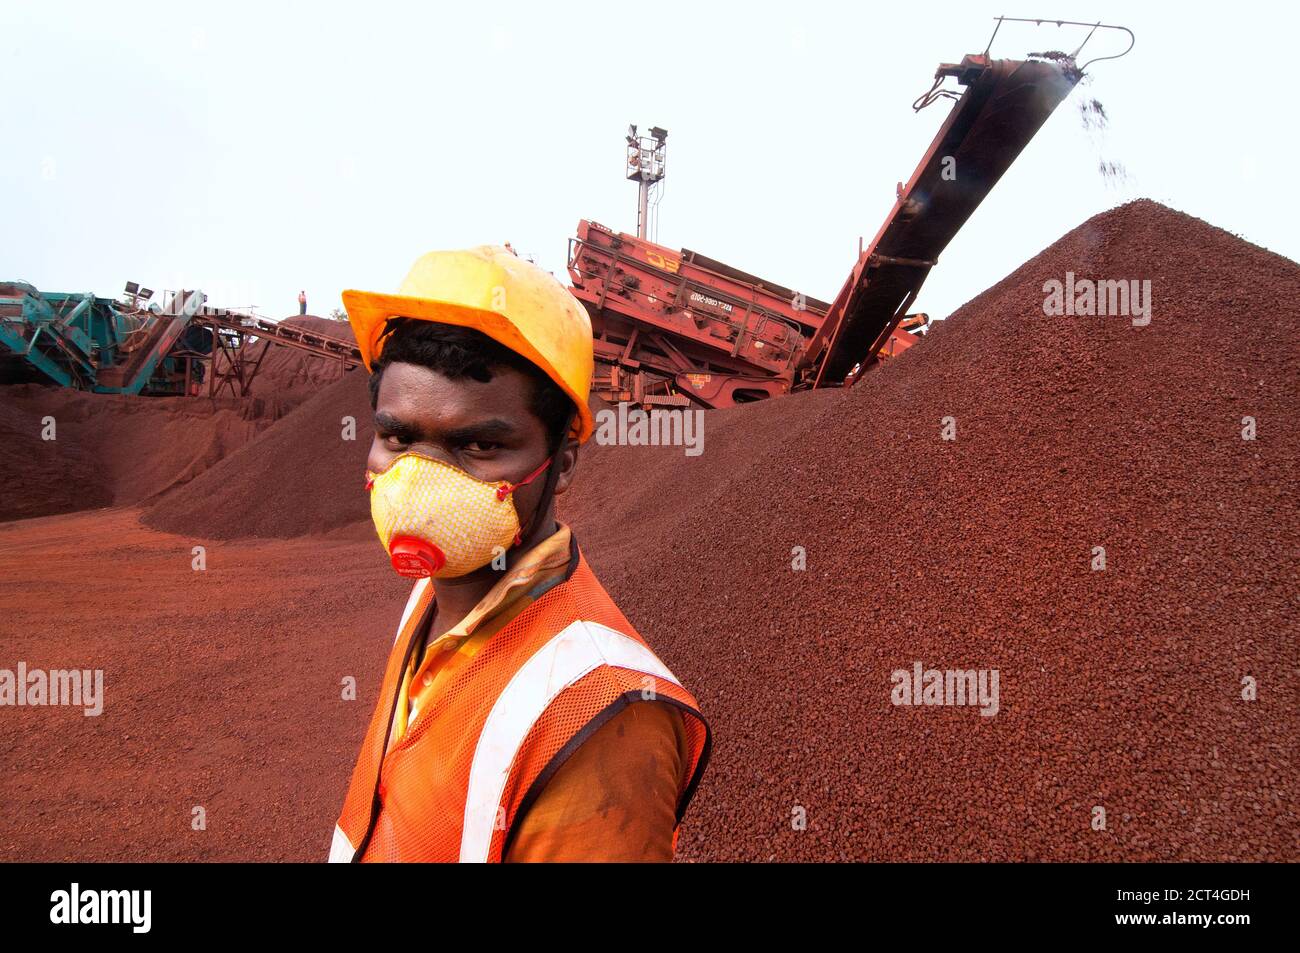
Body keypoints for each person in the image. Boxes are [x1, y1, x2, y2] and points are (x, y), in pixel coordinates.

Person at [328, 245, 710, 862]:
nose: (420, 485)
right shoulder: (430, 594)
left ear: (560, 463)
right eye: (396, 437)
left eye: (478, 445)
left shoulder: (602, 715)